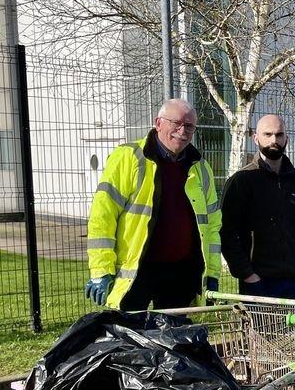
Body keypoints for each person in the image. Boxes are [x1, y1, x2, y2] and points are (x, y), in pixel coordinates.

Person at [85, 99, 221, 310]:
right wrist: (101, 270)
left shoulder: (201, 168)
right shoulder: (128, 158)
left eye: (189, 126)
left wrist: (212, 272)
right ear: (158, 123)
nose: (182, 131)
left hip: (180, 274)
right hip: (136, 272)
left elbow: (212, 225)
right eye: (176, 123)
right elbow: (102, 217)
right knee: (129, 329)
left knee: (174, 330)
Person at [220, 114, 295, 299]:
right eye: (268, 134)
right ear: (255, 138)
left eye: (279, 135)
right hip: (257, 281)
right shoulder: (241, 181)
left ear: (286, 138)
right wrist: (247, 274)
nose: (274, 140)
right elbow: (227, 232)